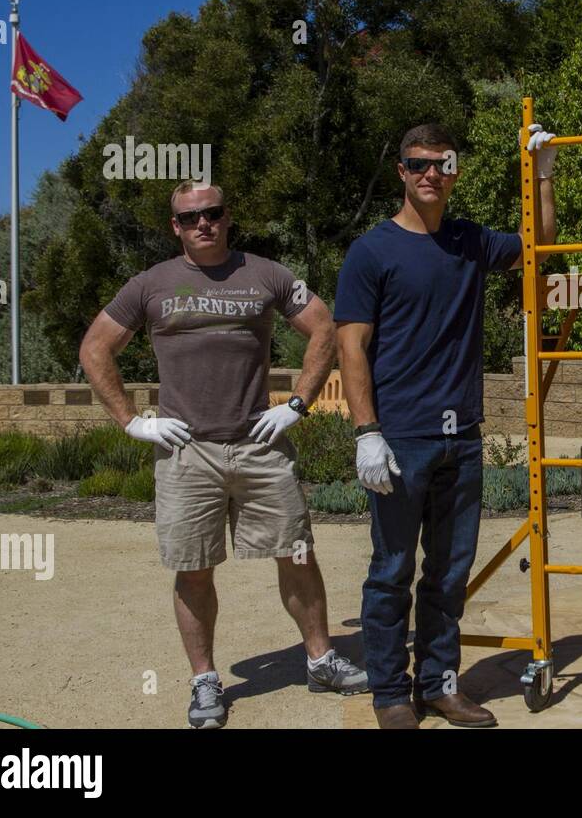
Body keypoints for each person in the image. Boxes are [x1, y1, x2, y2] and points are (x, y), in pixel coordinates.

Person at [80, 181, 367, 730]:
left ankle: (320, 659)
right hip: (187, 452)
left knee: (299, 553)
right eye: (190, 218)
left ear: (227, 217)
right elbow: (95, 348)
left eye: (211, 214)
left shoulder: (267, 274)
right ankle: (205, 680)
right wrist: (132, 420)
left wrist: (299, 403)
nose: (202, 224)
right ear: (175, 227)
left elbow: (325, 326)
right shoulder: (151, 284)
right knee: (193, 571)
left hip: (260, 444)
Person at [334, 122, 558, 729]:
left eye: (443, 162)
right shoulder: (371, 251)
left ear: (455, 171)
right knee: (391, 570)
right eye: (419, 163)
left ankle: (439, 684)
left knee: (449, 573)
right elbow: (351, 346)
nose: (431, 172)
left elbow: (539, 242)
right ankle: (389, 693)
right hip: (400, 438)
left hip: (463, 437)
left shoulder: (469, 241)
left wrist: (542, 172)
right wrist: (366, 432)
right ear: (401, 172)